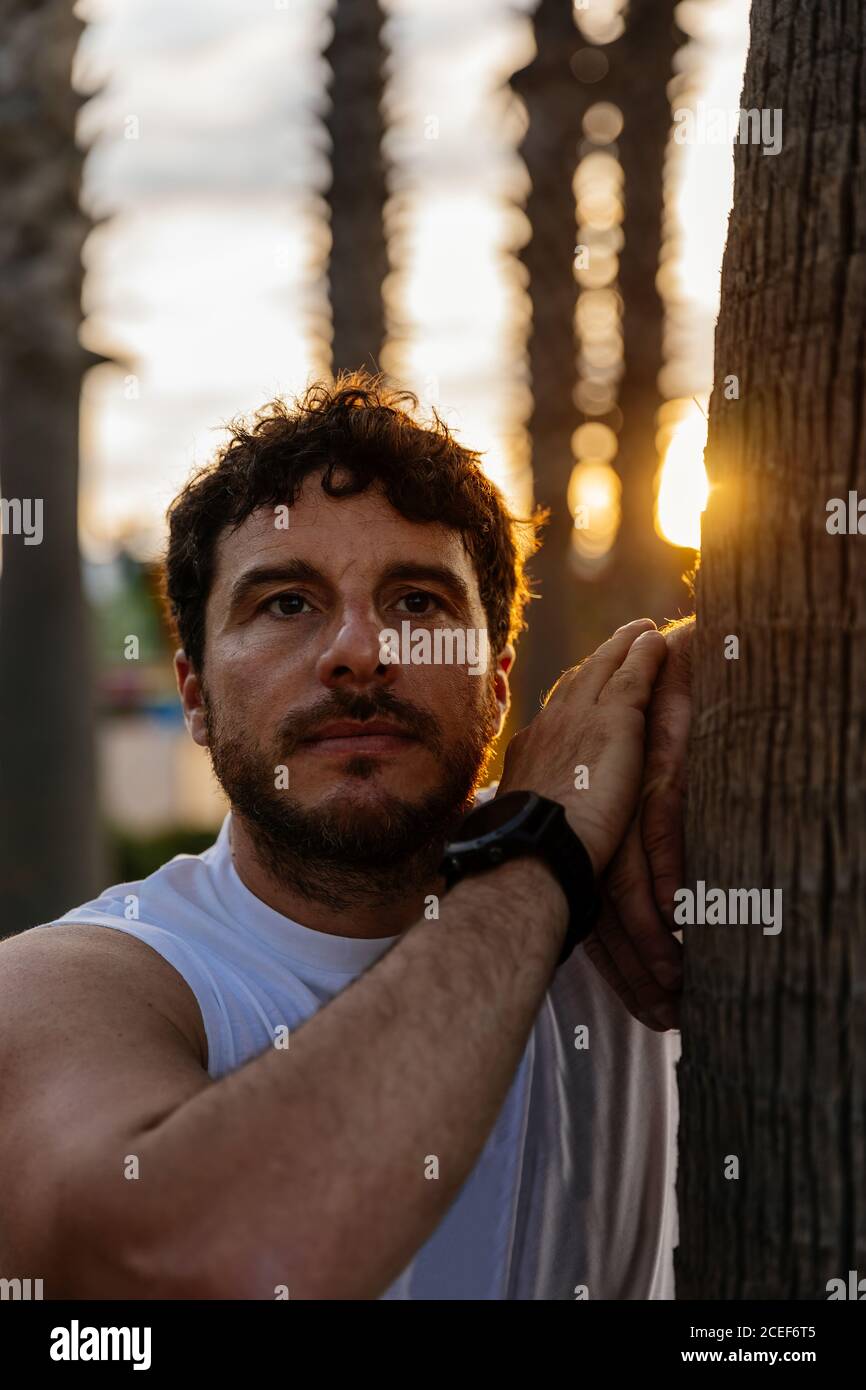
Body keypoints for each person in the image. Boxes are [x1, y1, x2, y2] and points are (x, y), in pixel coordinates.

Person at [0, 372, 692, 1300]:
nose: (360, 650)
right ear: (196, 696)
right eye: (287, 602)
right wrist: (534, 862)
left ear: (496, 683)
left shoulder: (633, 866)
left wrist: (689, 666)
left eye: (417, 602)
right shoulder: (78, 980)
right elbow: (170, 1262)